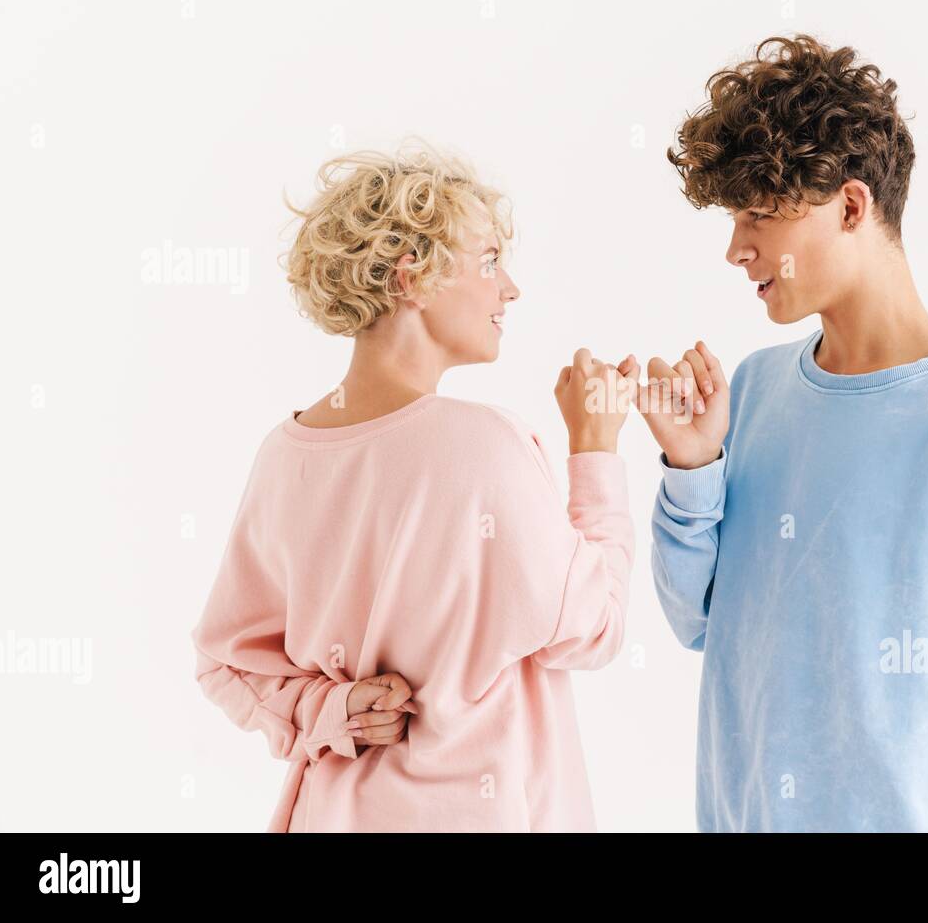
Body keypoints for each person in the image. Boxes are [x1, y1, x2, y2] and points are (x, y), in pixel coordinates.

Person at [636, 35, 928, 831]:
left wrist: (899, 784)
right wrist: (692, 464)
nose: (737, 249)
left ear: (851, 205)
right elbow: (698, 622)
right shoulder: (756, 389)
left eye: (756, 214)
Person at [190, 141, 638, 831]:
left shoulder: (284, 456)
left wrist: (330, 711)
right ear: (413, 280)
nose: (509, 289)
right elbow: (595, 627)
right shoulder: (487, 446)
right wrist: (597, 446)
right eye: (489, 263)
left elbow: (226, 660)